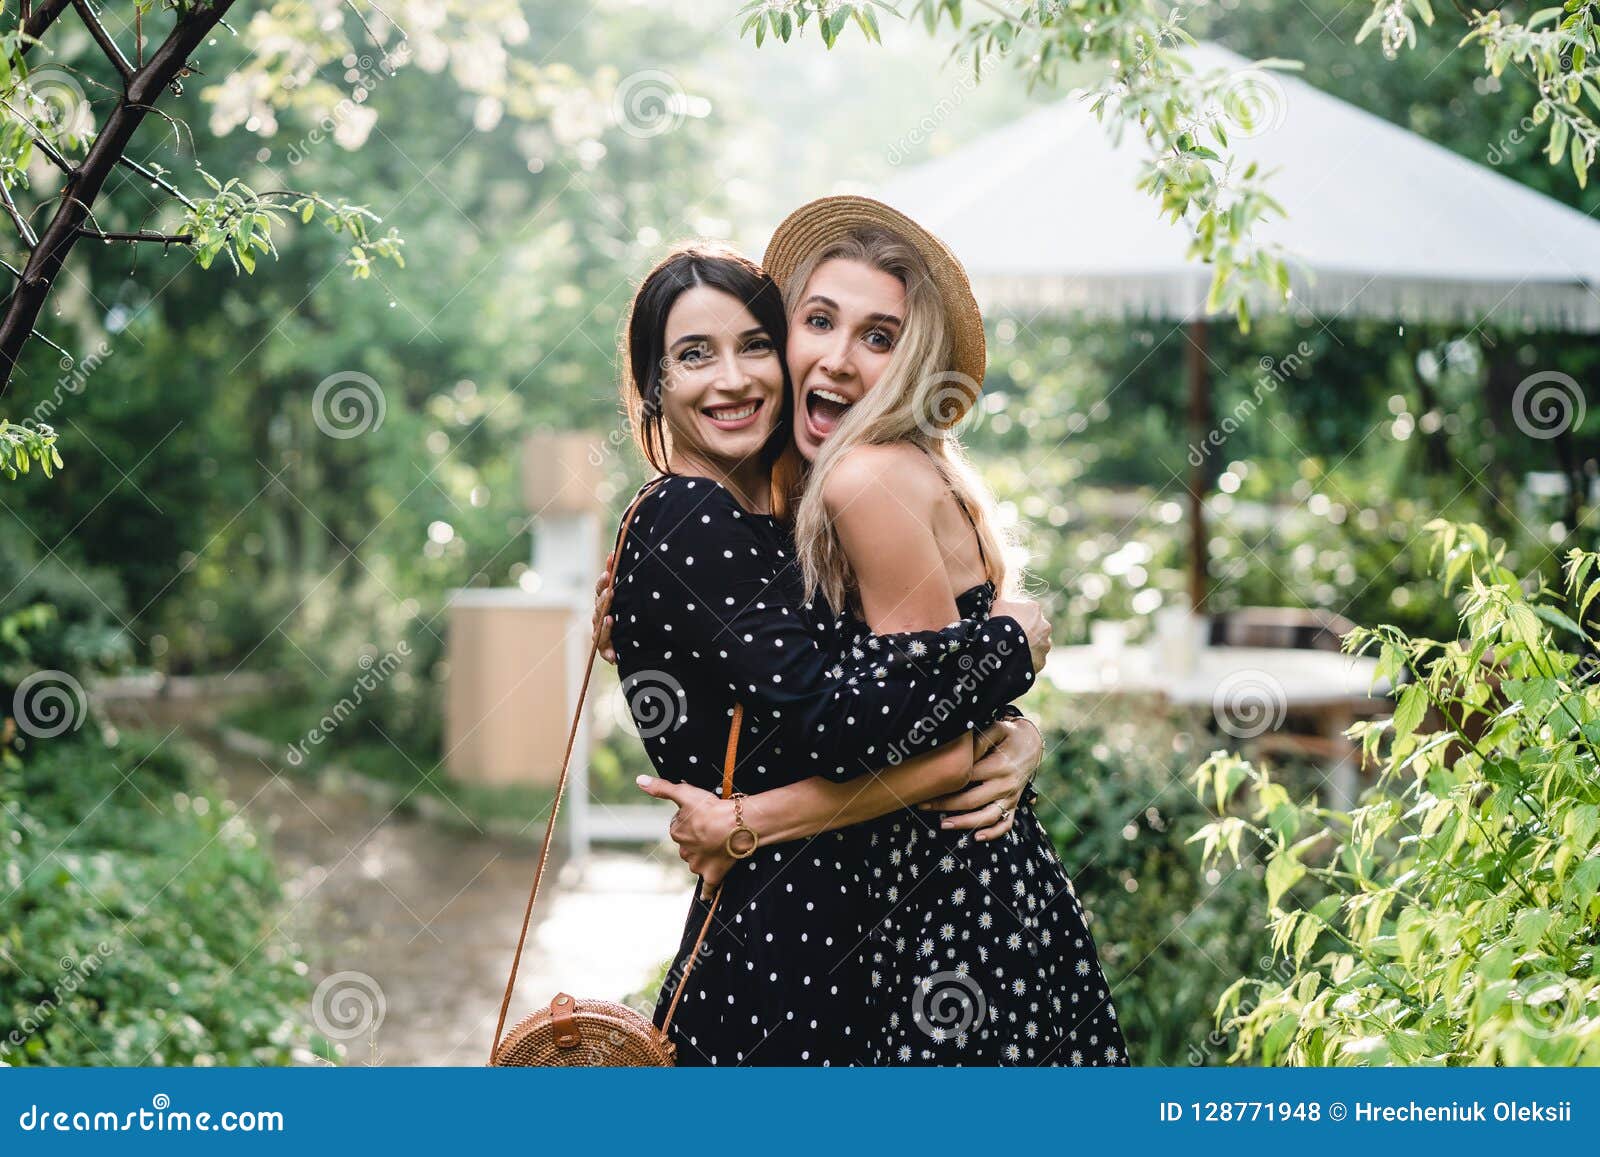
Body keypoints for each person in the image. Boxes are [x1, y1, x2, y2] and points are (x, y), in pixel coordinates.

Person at [632, 197, 1130, 1066]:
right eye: (817, 321)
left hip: (937, 909)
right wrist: (1006, 688)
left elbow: (926, 750)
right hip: (863, 918)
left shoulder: (860, 478)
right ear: (656, 383)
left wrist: (742, 822)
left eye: (878, 335)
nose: (834, 356)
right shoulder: (759, 507)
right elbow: (919, 719)